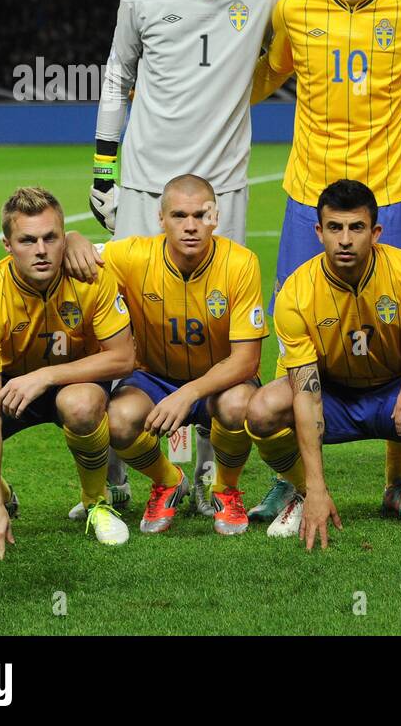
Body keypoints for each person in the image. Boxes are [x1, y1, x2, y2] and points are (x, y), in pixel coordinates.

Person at [247, 0, 401, 524]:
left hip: (389, 196)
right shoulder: (294, 7)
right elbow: (264, 77)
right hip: (307, 197)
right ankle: (293, 480)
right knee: (295, 337)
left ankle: (396, 481)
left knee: (399, 341)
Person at [87, 0, 281, 517]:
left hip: (221, 187)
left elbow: (279, 65)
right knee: (125, 329)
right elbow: (117, 75)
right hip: (144, 185)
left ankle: (206, 478)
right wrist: (103, 168)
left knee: (218, 331)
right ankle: (117, 479)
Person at [244, 180, 401, 545]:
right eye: (335, 228)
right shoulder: (296, 292)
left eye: (357, 228)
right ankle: (304, 493)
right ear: (319, 232)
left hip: (399, 397)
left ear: (376, 232)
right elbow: (306, 395)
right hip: (333, 398)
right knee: (261, 408)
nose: (345, 239)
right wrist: (317, 486)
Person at [0, 188, 134, 560]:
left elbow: (123, 359)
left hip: (72, 380)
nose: (40, 250)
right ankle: (5, 501)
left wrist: (46, 377)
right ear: (7, 244)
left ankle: (95, 502)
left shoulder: (91, 275)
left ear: (64, 237)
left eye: (50, 238)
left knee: (82, 404)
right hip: (9, 385)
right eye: (27, 240)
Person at [63, 174, 267, 536]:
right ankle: (169, 479)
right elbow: (81, 253)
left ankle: (227, 489)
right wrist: (71, 238)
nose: (191, 226)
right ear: (161, 220)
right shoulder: (133, 255)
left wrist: (188, 393)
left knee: (240, 407)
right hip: (153, 376)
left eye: (201, 216)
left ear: (215, 218)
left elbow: (246, 361)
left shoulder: (241, 263)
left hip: (219, 379)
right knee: (119, 419)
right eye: (178, 216)